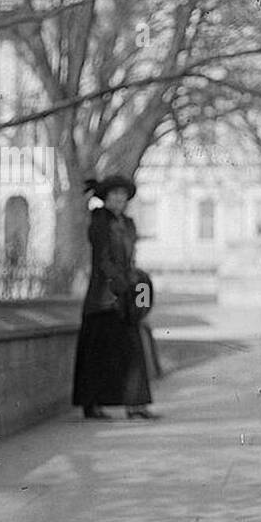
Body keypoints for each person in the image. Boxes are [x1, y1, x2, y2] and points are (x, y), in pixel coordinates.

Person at [71, 175, 158, 420]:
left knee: (132, 349)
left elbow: (129, 259)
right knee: (97, 352)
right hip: (103, 298)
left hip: (125, 295)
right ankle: (91, 404)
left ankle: (136, 405)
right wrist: (119, 284)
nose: (119, 199)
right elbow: (103, 260)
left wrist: (134, 283)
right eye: (114, 195)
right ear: (105, 198)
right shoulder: (99, 222)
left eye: (122, 195)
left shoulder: (128, 224)